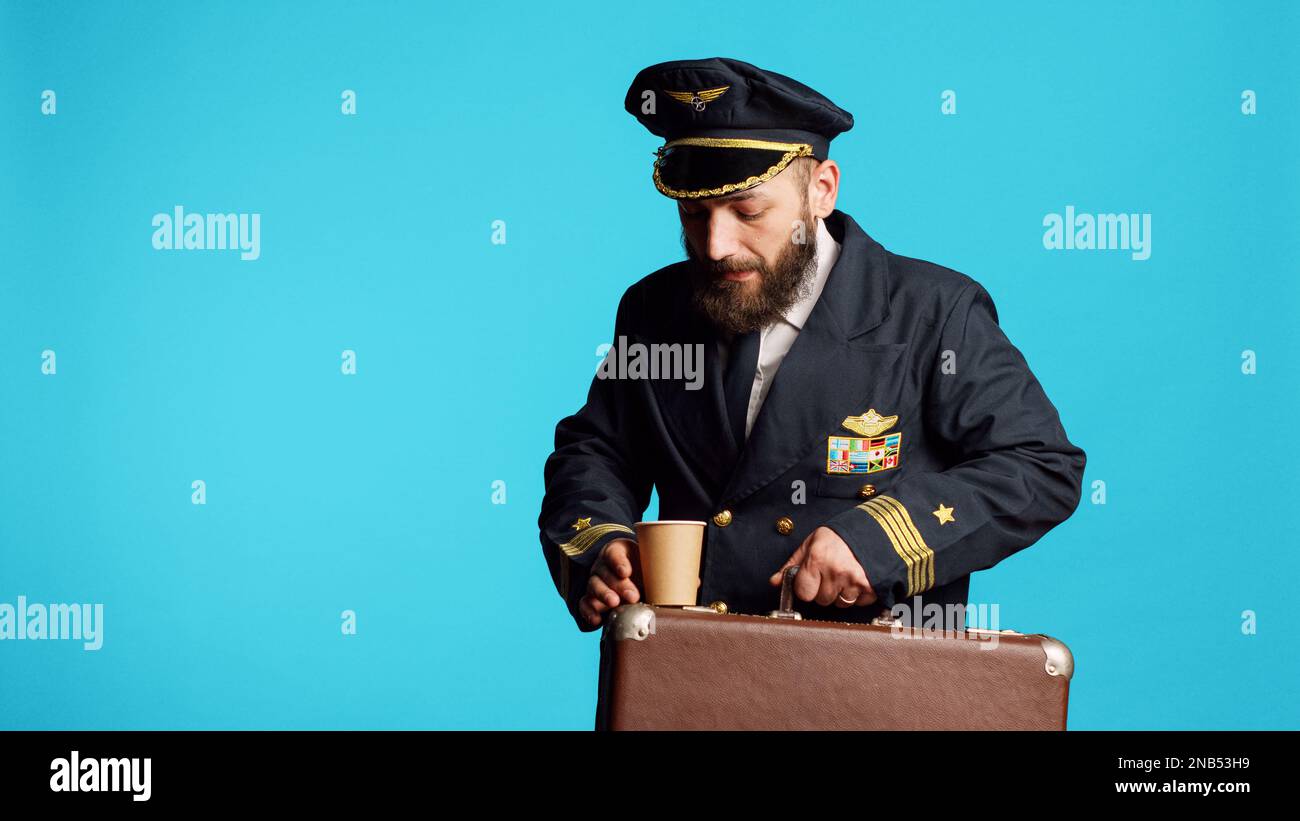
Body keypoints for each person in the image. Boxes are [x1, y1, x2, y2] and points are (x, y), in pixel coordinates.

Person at [538, 57, 1086, 634]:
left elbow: (1041, 466)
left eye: (748, 211)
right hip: (682, 678)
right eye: (694, 214)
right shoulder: (652, 308)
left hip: (871, 689)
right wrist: (600, 543)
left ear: (821, 191)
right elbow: (597, 451)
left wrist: (879, 542)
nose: (717, 245)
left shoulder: (935, 311)